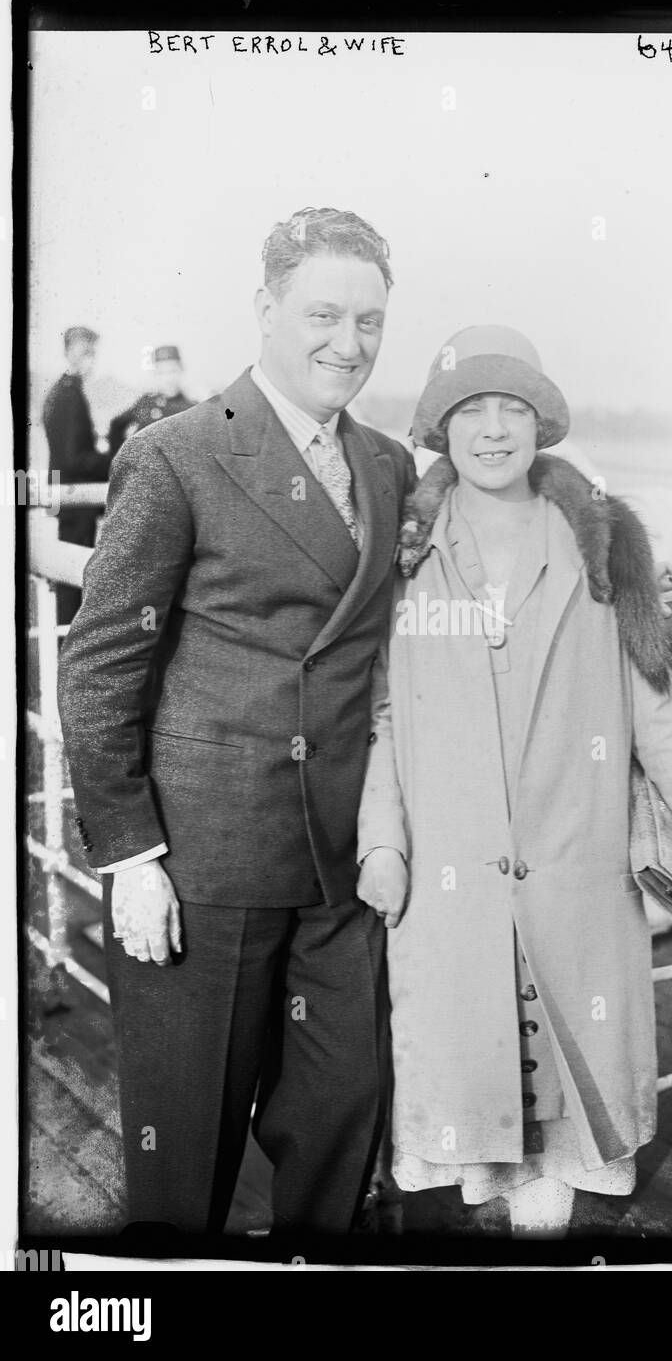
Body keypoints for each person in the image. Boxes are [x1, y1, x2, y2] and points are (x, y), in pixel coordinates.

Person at [57, 208, 415, 1242]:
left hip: (344, 864)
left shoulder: (389, 466)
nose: (348, 344)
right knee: (186, 1159)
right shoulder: (174, 456)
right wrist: (129, 854)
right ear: (264, 310)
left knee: (345, 1120)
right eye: (323, 314)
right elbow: (100, 661)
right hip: (205, 867)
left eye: (370, 322)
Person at [356, 326, 672, 1237]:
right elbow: (382, 715)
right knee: (469, 1073)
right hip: (449, 864)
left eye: (512, 409)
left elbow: (653, 701)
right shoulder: (401, 552)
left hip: (577, 859)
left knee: (571, 1089)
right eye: (470, 410)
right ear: (440, 429)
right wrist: (381, 840)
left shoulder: (605, 546)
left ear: (540, 424)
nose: (492, 430)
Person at [41, 325, 111, 622]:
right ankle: (67, 649)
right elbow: (73, 459)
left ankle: (65, 645)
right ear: (69, 352)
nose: (90, 361)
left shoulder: (62, 390)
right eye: (85, 353)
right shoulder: (70, 396)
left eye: (93, 354)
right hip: (74, 498)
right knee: (74, 577)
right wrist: (113, 457)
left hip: (65, 496)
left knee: (70, 576)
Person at [107, 346, 194, 458]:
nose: (168, 378)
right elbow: (117, 424)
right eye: (161, 373)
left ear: (181, 370)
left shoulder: (190, 409)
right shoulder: (146, 403)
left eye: (172, 371)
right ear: (155, 375)